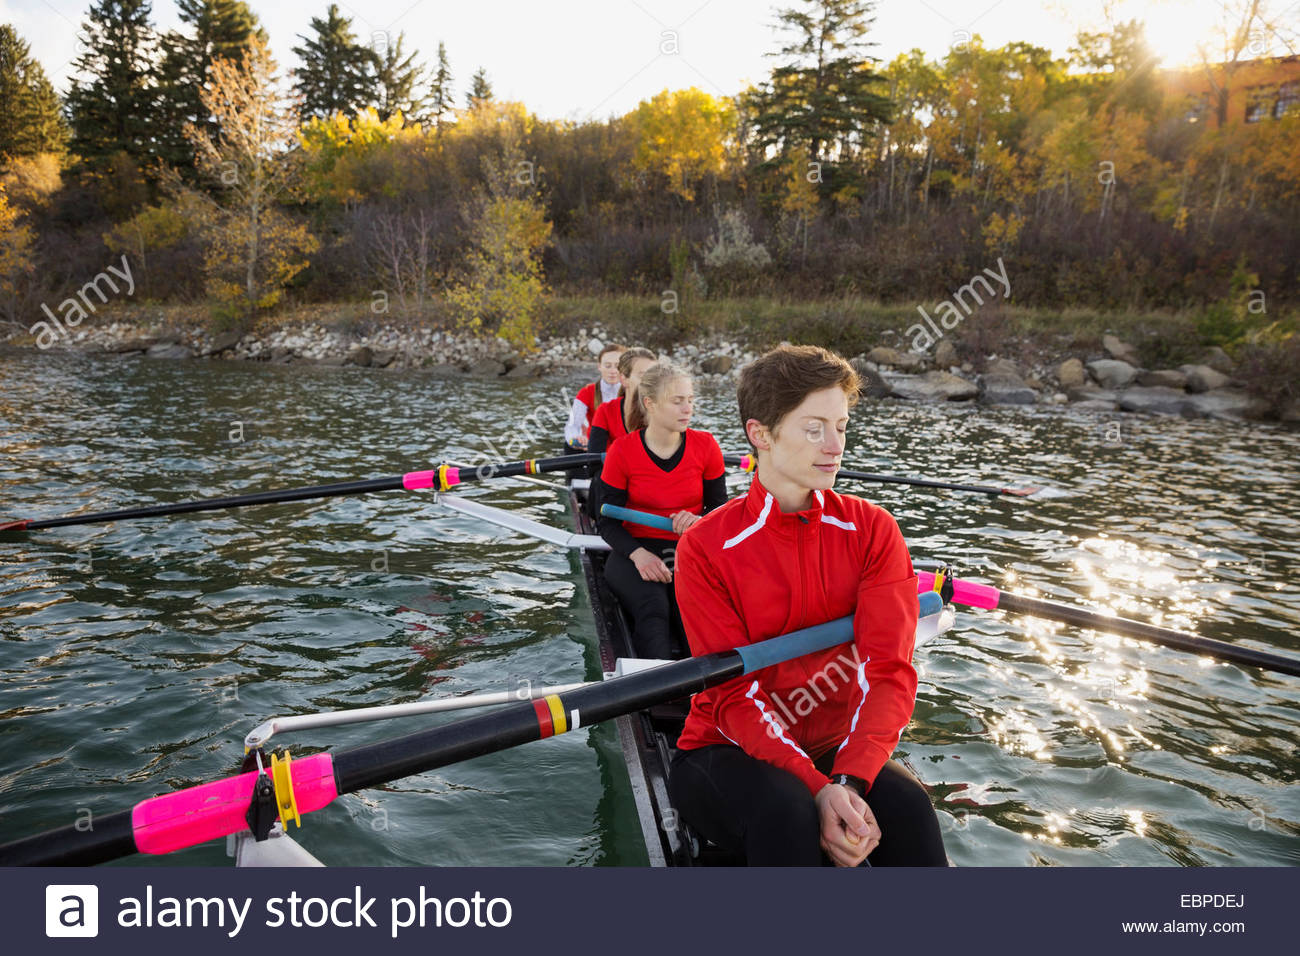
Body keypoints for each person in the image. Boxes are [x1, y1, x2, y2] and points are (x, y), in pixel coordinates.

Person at [668, 344, 947, 867]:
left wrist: (848, 780)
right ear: (762, 435)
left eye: (841, 426)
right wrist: (817, 789)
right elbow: (733, 698)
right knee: (787, 811)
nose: (834, 445)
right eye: (814, 427)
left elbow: (888, 672)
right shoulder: (706, 547)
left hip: (836, 749)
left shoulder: (873, 531)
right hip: (725, 745)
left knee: (909, 808)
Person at [595, 362, 726, 661]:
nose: (687, 408)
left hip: (689, 549)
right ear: (650, 404)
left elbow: (719, 511)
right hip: (634, 549)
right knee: (654, 612)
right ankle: (656, 698)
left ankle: (704, 698)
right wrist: (639, 554)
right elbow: (606, 522)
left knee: (691, 616)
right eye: (677, 401)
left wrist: (700, 520)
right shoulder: (622, 451)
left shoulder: (706, 446)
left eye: (690, 400)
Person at [564, 344, 625, 452]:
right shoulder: (586, 392)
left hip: (621, 449)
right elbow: (572, 426)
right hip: (595, 448)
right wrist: (575, 439)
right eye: (607, 365)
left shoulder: (632, 392)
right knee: (568, 446)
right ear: (599, 366)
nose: (613, 371)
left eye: (617, 366)